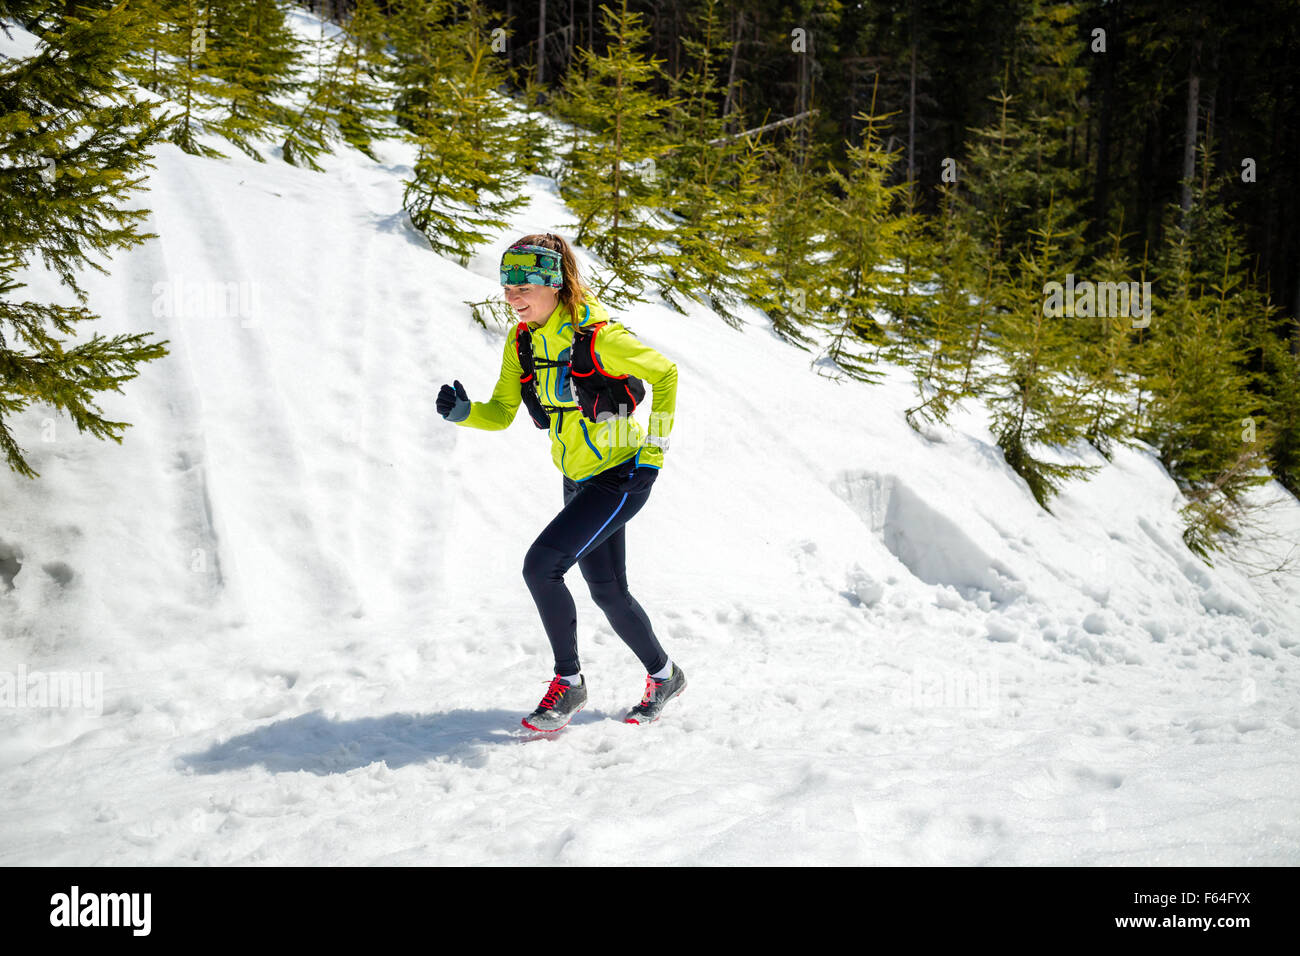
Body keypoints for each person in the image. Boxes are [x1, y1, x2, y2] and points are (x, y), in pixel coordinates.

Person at [436, 233, 686, 732]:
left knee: (541, 567)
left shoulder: (597, 336)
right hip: (578, 477)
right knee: (608, 591)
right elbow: (503, 412)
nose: (511, 294)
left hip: (623, 474)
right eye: (506, 283)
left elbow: (666, 374)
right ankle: (666, 675)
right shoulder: (521, 340)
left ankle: (568, 683)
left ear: (553, 282)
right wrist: (464, 414)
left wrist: (654, 453)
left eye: (523, 284)